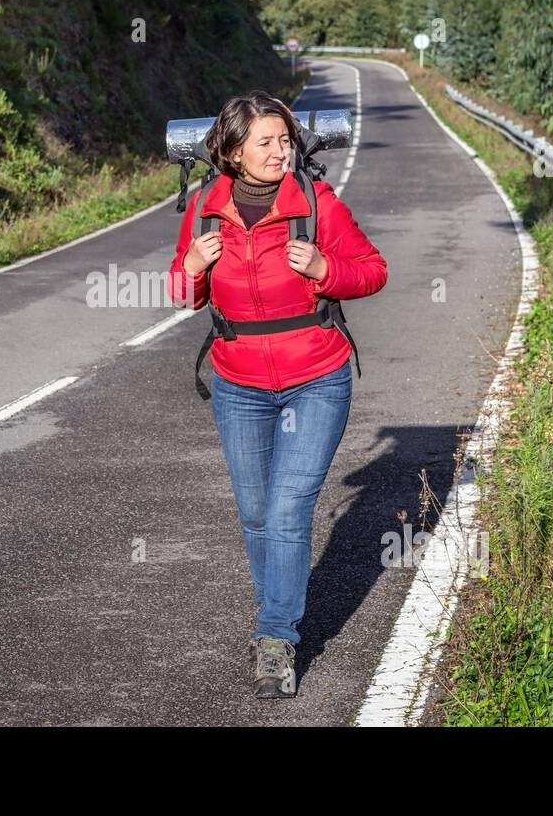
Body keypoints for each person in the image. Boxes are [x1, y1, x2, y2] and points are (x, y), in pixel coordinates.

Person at [166, 89, 388, 698]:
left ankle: (274, 640)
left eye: (285, 140)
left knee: (288, 510)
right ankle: (278, 621)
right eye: (264, 142)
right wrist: (191, 264)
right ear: (232, 152)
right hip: (238, 384)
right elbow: (184, 296)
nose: (279, 152)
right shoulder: (206, 211)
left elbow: (372, 269)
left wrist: (324, 270)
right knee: (257, 514)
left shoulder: (316, 203)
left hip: (316, 376)